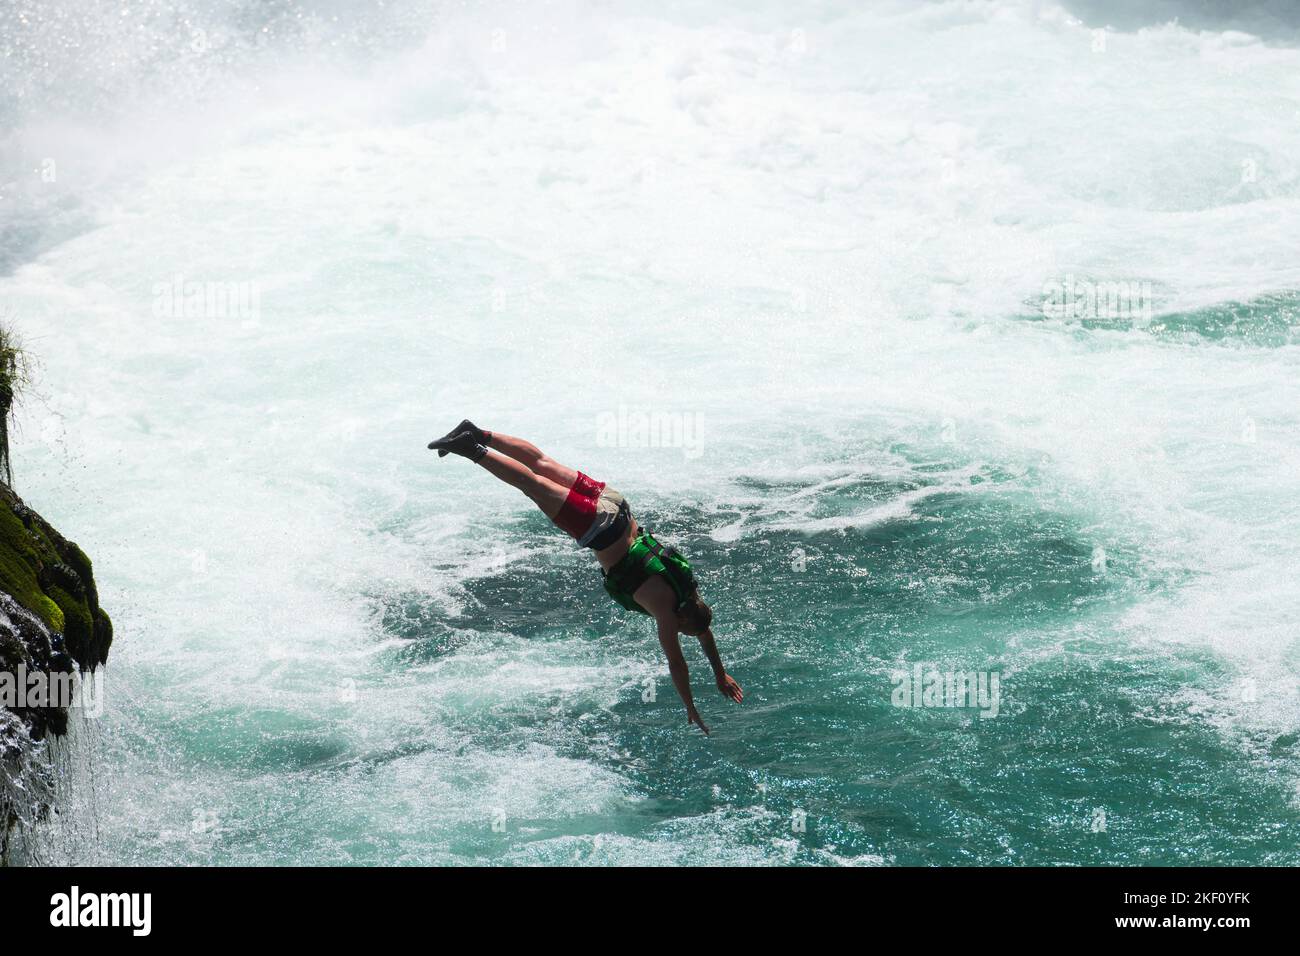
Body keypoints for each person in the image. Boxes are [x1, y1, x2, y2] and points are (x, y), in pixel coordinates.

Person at [429, 420, 743, 734]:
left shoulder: (689, 589)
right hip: (600, 527)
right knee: (533, 486)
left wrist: (720, 673)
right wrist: (689, 705)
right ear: (681, 623)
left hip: (616, 504)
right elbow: (678, 664)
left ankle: (477, 432)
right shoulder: (667, 612)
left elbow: (705, 631)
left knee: (543, 464)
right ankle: (472, 448)